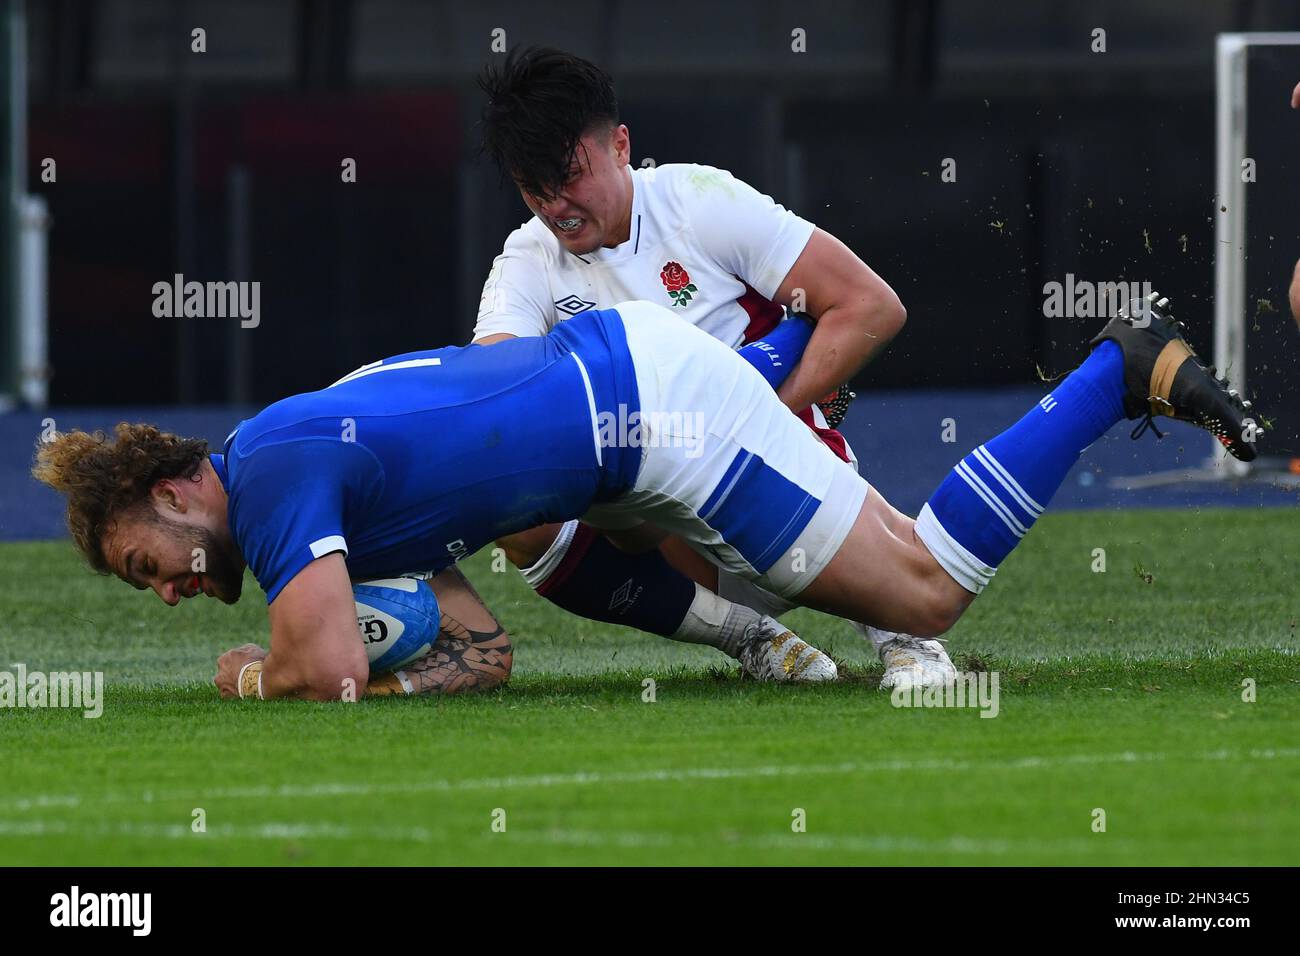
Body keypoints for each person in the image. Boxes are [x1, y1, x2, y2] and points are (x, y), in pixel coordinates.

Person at [33, 292, 1256, 702]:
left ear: (180, 483)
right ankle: (758, 635)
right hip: (627, 407)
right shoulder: (293, 467)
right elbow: (484, 649)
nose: (179, 588)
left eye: (155, 559)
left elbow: (325, 670)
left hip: (653, 423)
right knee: (898, 572)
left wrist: (252, 670)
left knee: (926, 596)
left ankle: (1114, 367)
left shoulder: (277, 474)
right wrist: (417, 657)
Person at [473, 47, 952, 688]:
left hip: (793, 496)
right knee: (516, 504)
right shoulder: (528, 258)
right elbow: (492, 385)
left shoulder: (699, 200)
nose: (555, 204)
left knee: (906, 587)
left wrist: (760, 414)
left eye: (570, 176)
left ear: (620, 146)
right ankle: (748, 637)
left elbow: (870, 305)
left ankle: (904, 633)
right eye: (533, 188)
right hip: (671, 542)